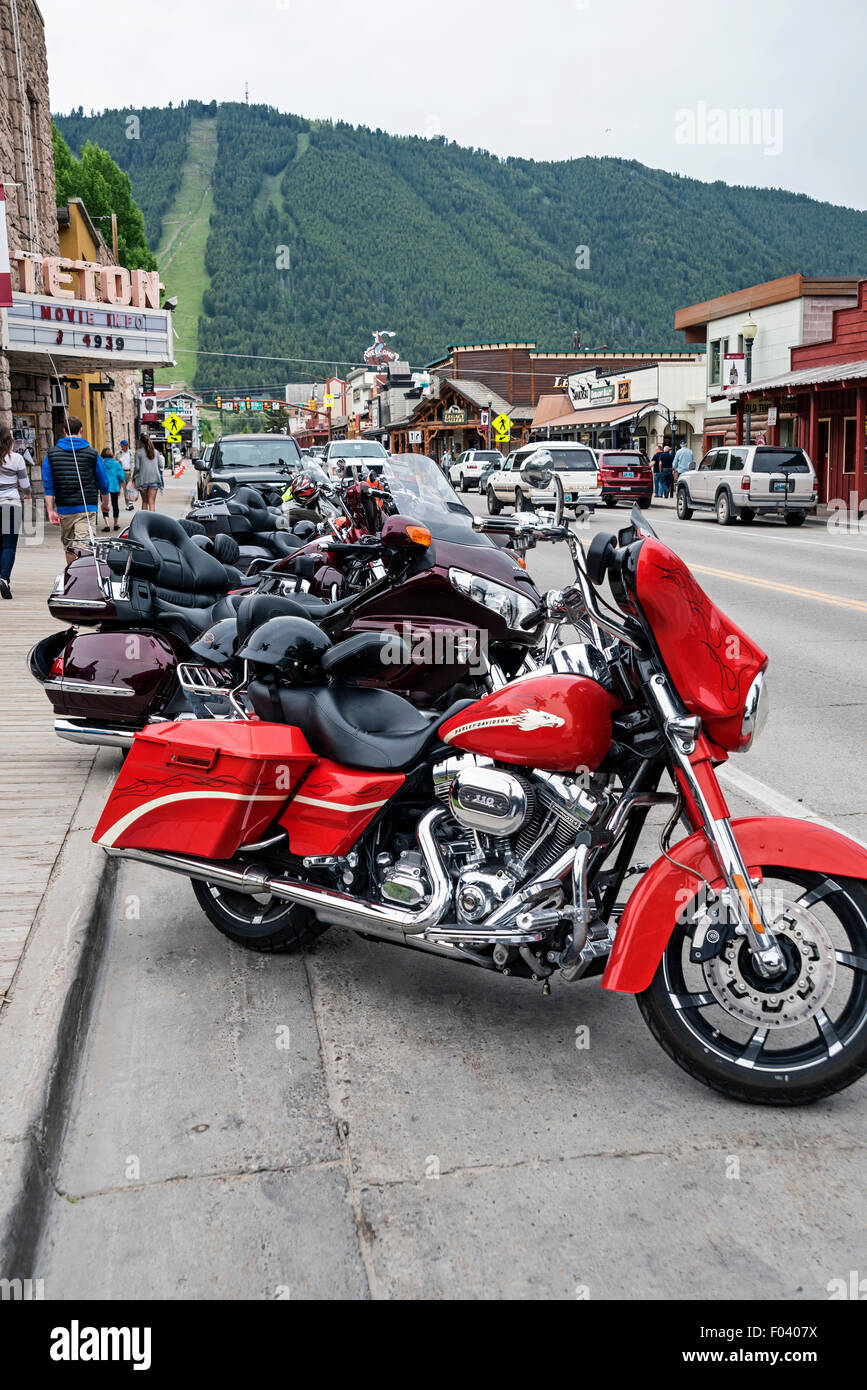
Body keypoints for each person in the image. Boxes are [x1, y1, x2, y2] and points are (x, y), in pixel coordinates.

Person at [42, 416, 110, 564]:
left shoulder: (51, 454)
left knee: (71, 547)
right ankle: (78, 580)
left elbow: (48, 485)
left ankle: (73, 577)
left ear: (64, 431)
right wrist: (105, 504)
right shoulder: (92, 453)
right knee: (84, 546)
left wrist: (50, 510)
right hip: (87, 508)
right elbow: (104, 482)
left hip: (64, 509)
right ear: (81, 431)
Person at [0, 426, 33, 599]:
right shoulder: (17, 459)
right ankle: (4, 579)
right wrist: (28, 497)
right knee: (8, 545)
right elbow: (25, 485)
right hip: (11, 505)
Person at [134, 432, 162, 511]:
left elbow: (137, 467)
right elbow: (161, 465)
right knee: (152, 502)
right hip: (154, 479)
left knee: (145, 502)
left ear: (141, 442)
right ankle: (152, 521)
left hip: (143, 480)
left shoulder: (138, 452)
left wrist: (133, 477)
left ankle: (145, 521)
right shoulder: (155, 452)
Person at [99, 447, 126, 531]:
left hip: (104, 486)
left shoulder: (101, 464)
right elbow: (121, 476)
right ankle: (115, 523)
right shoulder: (117, 463)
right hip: (114, 486)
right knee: (115, 504)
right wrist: (121, 486)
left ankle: (107, 525)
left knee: (104, 504)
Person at [118, 438, 134, 510]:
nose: (125, 446)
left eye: (126, 445)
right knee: (125, 490)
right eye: (124, 445)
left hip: (130, 472)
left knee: (130, 488)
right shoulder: (118, 454)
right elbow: (115, 463)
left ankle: (130, 503)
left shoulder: (132, 453)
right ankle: (127, 505)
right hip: (122, 473)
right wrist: (118, 462)